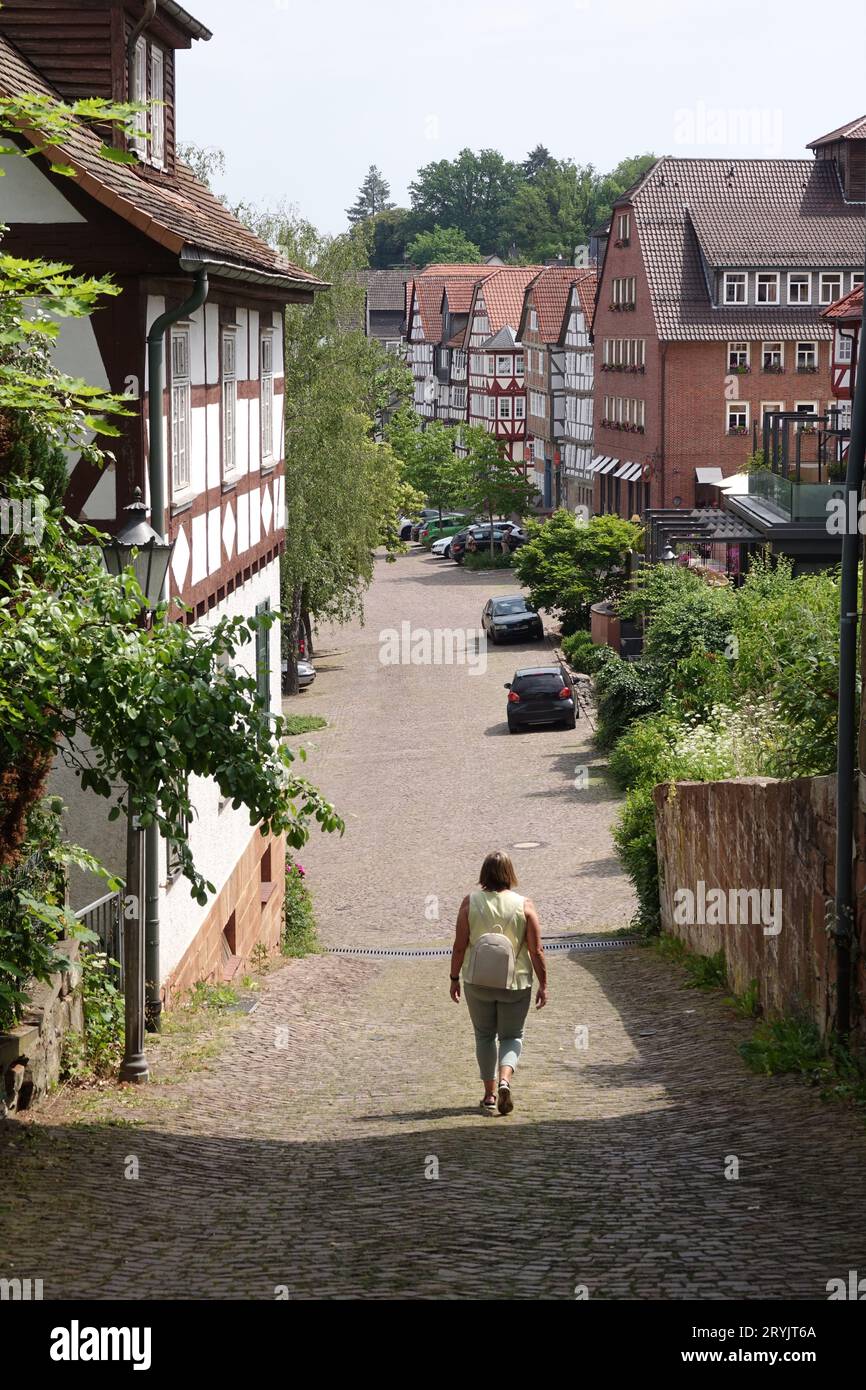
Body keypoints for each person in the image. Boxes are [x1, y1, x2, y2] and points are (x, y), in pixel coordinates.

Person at [449, 850, 547, 1115]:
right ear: (510, 874)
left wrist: (454, 978)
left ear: (484, 874)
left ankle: (490, 1094)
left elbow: (459, 947)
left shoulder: (469, 903)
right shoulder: (524, 905)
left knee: (484, 1036)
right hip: (515, 983)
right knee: (512, 1036)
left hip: (477, 981)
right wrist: (544, 984)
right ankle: (505, 1079)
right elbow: (536, 950)